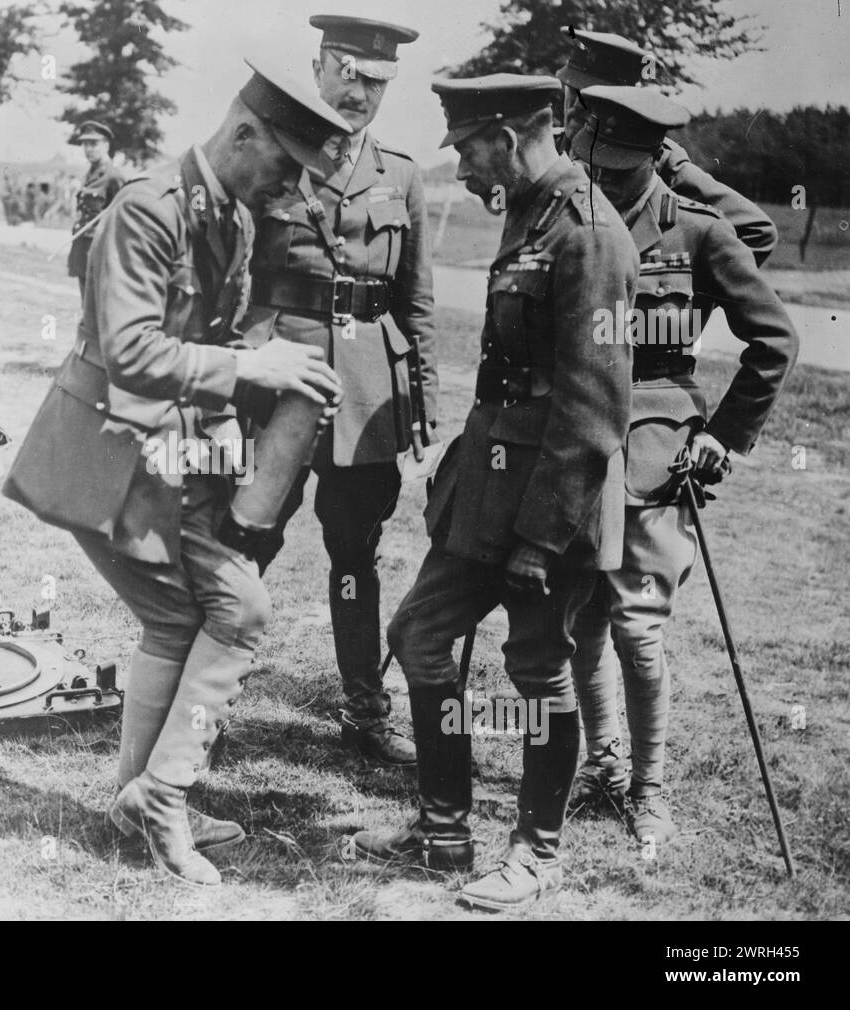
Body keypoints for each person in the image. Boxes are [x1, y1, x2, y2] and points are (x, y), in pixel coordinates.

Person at [3, 60, 348, 887]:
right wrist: (254, 371)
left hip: (167, 458)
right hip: (106, 458)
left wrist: (269, 402)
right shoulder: (147, 210)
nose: (291, 189)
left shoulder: (227, 213)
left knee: (181, 620)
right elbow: (129, 353)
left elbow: (208, 346)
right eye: (286, 167)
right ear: (242, 135)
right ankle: (164, 796)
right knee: (241, 607)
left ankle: (142, 797)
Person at [350, 74, 639, 911]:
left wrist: (541, 540)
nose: (466, 169)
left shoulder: (589, 235)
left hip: (556, 505)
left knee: (539, 670)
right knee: (420, 632)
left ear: (509, 139)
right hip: (490, 489)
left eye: (472, 150)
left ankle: (536, 853)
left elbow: (594, 411)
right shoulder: (531, 207)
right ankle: (443, 828)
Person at [565, 86, 799, 846]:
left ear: (653, 157)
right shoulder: (570, 213)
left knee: (638, 626)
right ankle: (600, 768)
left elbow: (774, 340)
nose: (608, 178)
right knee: (578, 622)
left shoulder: (698, 232)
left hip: (653, 450)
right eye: (601, 161)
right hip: (574, 442)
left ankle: (650, 788)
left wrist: (725, 437)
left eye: (626, 167)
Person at [240, 14, 438, 765]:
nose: (358, 93)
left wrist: (422, 403)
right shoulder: (274, 157)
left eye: (376, 82)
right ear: (319, 66)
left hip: (366, 395)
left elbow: (414, 303)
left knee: (355, 553)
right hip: (280, 378)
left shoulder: (404, 175)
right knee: (247, 539)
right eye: (348, 74)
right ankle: (205, 704)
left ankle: (363, 709)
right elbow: (237, 274)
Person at [556, 27, 777, 266]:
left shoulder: (657, 161)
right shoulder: (547, 149)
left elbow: (758, 231)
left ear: (621, 103)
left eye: (590, 95)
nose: (576, 105)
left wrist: (674, 284)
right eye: (573, 87)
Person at [66, 120, 125, 297]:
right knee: (86, 305)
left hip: (101, 251)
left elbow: (123, 215)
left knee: (101, 305)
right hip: (83, 247)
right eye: (85, 144)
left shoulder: (113, 176)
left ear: (106, 145)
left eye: (94, 144)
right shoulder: (88, 175)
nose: (89, 149)